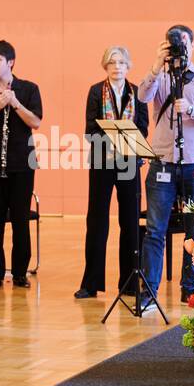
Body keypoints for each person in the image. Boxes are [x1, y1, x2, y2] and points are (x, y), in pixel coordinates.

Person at [135, 26, 194, 313]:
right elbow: (143, 96)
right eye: (173, 44)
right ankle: (148, 292)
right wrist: (156, 65)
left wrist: (191, 110)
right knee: (155, 231)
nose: (179, 49)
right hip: (162, 162)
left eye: (183, 43)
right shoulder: (161, 76)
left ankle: (190, 288)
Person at [76, 46, 148, 299]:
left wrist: (124, 139)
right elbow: (90, 130)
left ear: (128, 66)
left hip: (129, 162)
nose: (117, 66)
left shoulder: (138, 93)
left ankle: (129, 282)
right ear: (105, 66)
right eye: (112, 62)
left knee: (129, 221)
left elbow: (143, 129)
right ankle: (90, 283)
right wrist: (116, 137)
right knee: (97, 221)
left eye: (121, 62)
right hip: (101, 161)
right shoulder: (96, 91)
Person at [0, 40, 42, 287]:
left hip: (22, 164)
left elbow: (35, 122)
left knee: (20, 220)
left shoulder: (29, 88)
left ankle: (20, 273)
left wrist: (14, 103)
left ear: (10, 62)